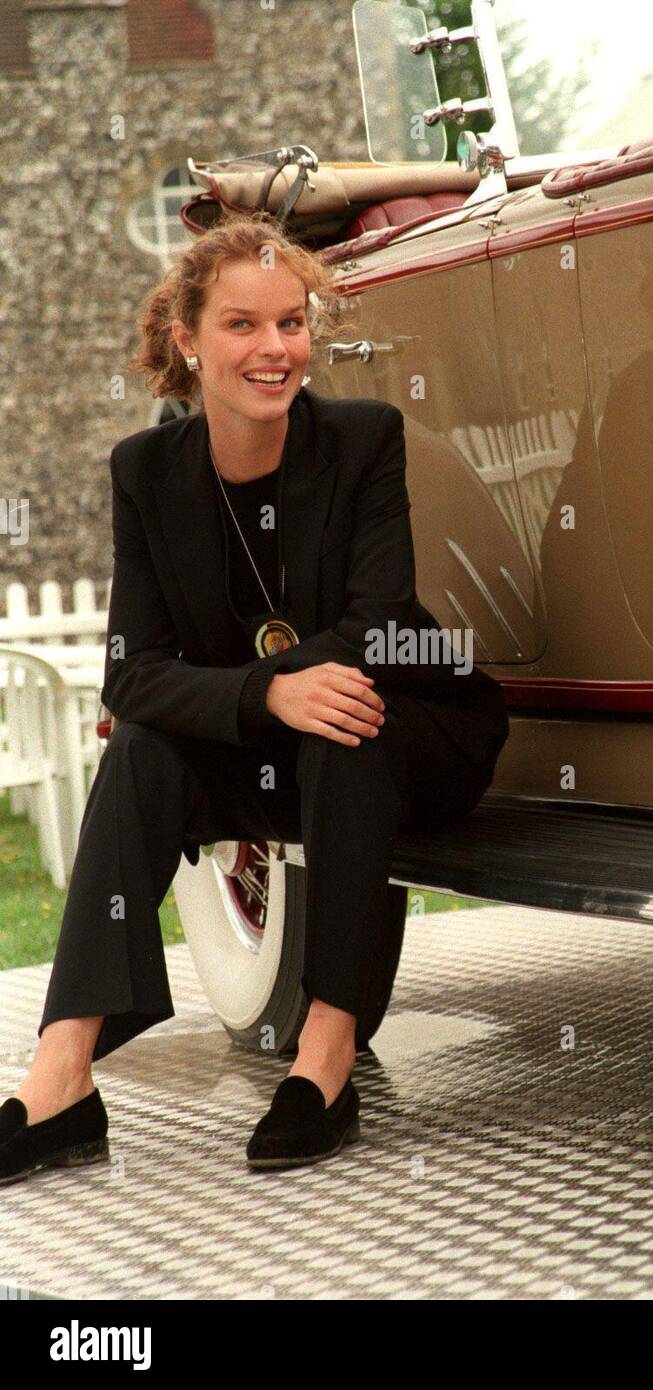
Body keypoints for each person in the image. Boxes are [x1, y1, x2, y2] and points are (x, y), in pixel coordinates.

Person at [0, 213, 510, 1182]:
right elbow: (132, 673)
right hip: (277, 742)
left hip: (415, 729)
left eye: (291, 323)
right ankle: (60, 1075)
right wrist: (266, 696)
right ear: (187, 340)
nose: (274, 349)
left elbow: (375, 625)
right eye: (242, 325)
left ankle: (325, 1058)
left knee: (345, 714)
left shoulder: (363, 442)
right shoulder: (145, 473)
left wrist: (275, 695)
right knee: (143, 749)